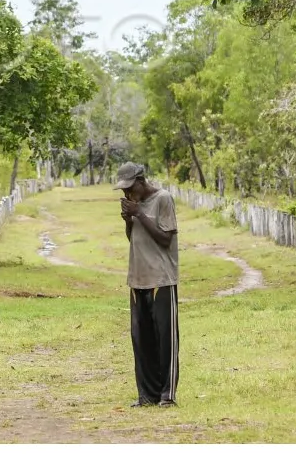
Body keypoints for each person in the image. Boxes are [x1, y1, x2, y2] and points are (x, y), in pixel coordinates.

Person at [116, 162, 179, 408]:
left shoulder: (163, 199)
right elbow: (133, 237)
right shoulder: (135, 206)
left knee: (165, 341)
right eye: (123, 191)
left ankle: (167, 395)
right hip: (137, 279)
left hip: (161, 279)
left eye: (130, 189)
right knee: (142, 342)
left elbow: (165, 239)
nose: (126, 195)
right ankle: (147, 395)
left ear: (141, 181)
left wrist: (139, 214)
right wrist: (128, 220)